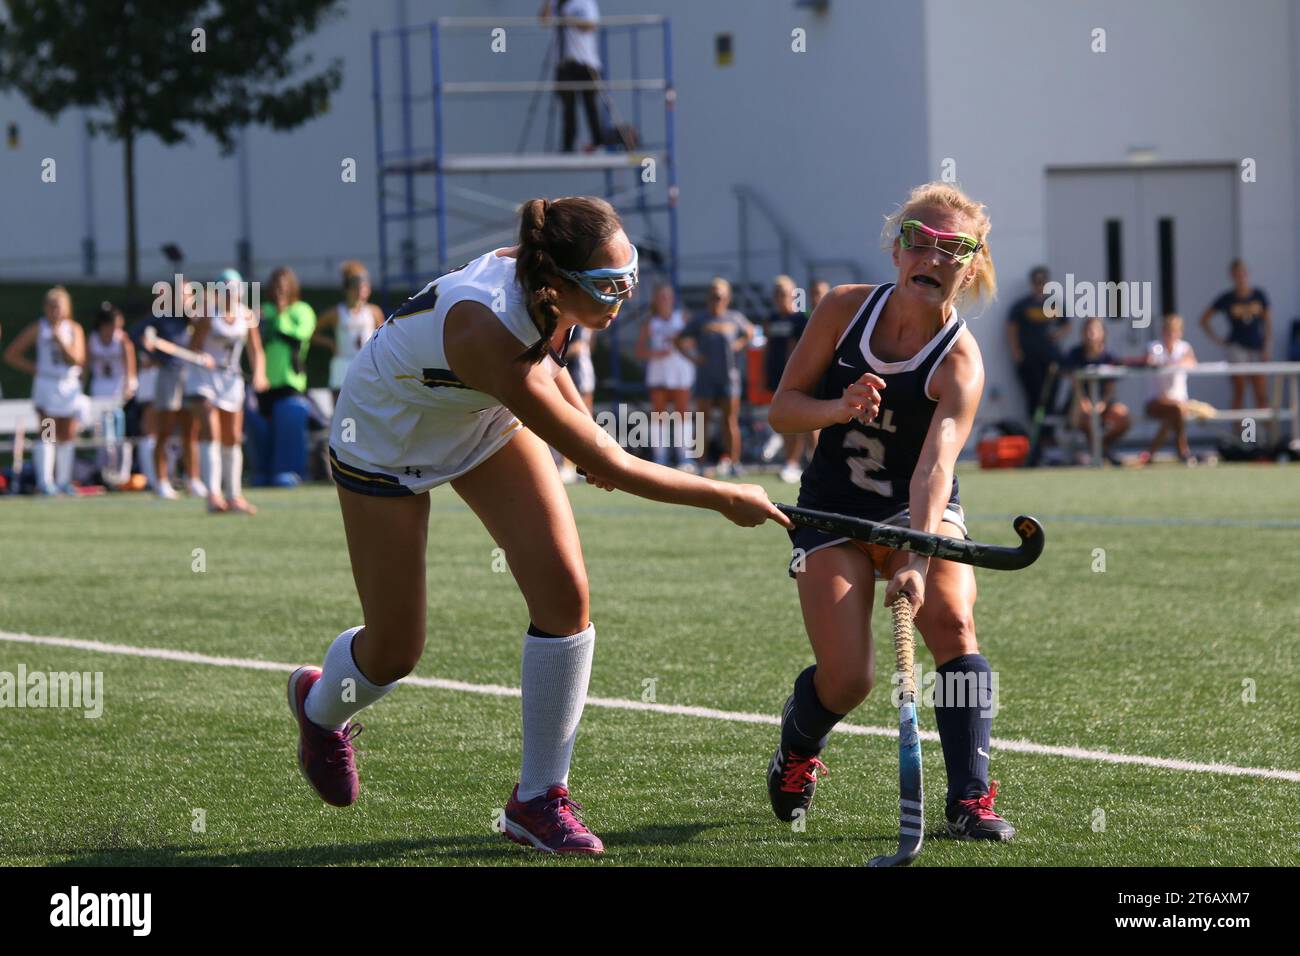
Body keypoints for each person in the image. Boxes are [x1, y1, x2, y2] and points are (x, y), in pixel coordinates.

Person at [288, 196, 789, 855]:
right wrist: (723, 496)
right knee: (395, 650)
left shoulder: (552, 288)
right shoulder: (485, 328)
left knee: (564, 596)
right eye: (609, 286)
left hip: (480, 420)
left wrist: (582, 430)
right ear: (556, 281)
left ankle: (537, 799)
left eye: (631, 275)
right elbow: (606, 458)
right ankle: (320, 709)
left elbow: (553, 367)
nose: (624, 296)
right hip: (385, 441)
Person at [767, 182, 1015, 843]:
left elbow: (935, 468)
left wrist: (917, 555)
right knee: (849, 677)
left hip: (917, 510)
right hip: (832, 510)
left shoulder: (960, 361)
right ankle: (797, 746)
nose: (932, 258)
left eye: (952, 248)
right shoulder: (843, 310)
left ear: (971, 261)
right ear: (896, 247)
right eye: (919, 241)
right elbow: (782, 408)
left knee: (954, 622)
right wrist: (839, 408)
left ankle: (970, 798)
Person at [187, 269, 268, 513]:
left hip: (231, 381)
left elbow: (256, 350)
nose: (231, 295)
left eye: (235, 291)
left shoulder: (246, 316)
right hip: (205, 380)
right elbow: (193, 349)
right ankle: (213, 494)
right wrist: (202, 357)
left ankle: (234, 495)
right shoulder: (208, 315)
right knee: (210, 430)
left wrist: (260, 374)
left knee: (232, 436)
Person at [3, 286, 87, 495]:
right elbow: (12, 354)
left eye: (58, 307)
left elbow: (77, 359)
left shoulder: (73, 329)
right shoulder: (39, 328)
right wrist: (36, 370)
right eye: (51, 307)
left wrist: (60, 340)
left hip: (68, 385)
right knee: (48, 432)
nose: (55, 312)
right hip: (47, 386)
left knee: (67, 434)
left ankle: (64, 480)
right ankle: (45, 481)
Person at [676, 277, 754, 477]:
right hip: (705, 378)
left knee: (729, 421)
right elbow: (678, 340)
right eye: (712, 296)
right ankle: (700, 463)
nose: (716, 300)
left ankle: (734, 462)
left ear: (727, 298)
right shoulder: (700, 319)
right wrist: (693, 358)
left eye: (719, 296)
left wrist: (739, 344)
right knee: (703, 420)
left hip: (729, 378)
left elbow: (750, 332)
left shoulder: (734, 318)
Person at [1200, 259, 1270, 416]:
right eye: (1237, 275)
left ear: (1247, 274)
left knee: (1261, 392)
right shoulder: (1228, 298)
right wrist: (1218, 339)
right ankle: (1239, 434)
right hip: (1237, 346)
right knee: (1240, 390)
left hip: (1257, 346)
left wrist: (1266, 346)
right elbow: (1204, 320)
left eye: (1243, 274)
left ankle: (1266, 435)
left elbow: (1267, 323)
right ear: (1232, 277)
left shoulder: (1259, 295)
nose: (1241, 278)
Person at [635, 282, 694, 467]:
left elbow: (693, 342)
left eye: (668, 296)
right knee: (659, 414)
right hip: (659, 372)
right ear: (655, 300)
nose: (665, 300)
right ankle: (660, 458)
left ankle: (685, 457)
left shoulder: (682, 318)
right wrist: (656, 354)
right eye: (661, 297)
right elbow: (639, 351)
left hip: (680, 371)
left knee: (682, 413)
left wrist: (679, 342)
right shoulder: (650, 322)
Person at [1006, 265, 1068, 435]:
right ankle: (1036, 438)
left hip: (1051, 360)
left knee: (1051, 398)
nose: (1040, 285)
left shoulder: (1054, 304)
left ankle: (1049, 435)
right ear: (1032, 283)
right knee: (1034, 398)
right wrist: (1016, 353)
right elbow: (1011, 328)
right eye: (1036, 281)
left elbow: (1067, 324)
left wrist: (1058, 334)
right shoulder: (1022, 306)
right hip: (1029, 360)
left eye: (1043, 281)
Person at [1062, 317, 1130, 465]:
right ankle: (1103, 453)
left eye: (1094, 330)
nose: (1091, 334)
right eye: (1088, 330)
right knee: (1086, 416)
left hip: (1103, 402)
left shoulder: (1109, 357)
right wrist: (1085, 402)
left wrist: (1102, 404)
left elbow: (1111, 387)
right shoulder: (1075, 354)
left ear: (1103, 333)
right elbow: (1075, 382)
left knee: (1123, 417)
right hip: (1080, 401)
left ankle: (1101, 449)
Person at [313, 260, 382, 403]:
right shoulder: (336, 313)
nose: (361, 290)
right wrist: (331, 344)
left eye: (364, 285)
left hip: (367, 368)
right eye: (356, 286)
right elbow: (313, 333)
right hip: (341, 368)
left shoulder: (374, 312)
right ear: (347, 288)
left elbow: (384, 338)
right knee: (341, 413)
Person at [763, 275, 811, 483]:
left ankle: (796, 461)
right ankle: (790, 461)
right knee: (782, 419)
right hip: (776, 374)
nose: (780, 297)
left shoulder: (801, 320)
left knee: (800, 419)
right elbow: (768, 346)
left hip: (795, 375)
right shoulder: (771, 319)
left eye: (783, 293)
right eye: (777, 293)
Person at [539, 0, 603, 152]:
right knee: (568, 105)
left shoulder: (585, 2)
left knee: (590, 103)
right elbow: (543, 20)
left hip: (584, 60)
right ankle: (568, 145)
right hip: (564, 61)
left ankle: (597, 141)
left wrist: (570, 20)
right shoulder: (556, 3)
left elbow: (591, 25)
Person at [87, 301, 138, 485]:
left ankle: (120, 473)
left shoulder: (122, 340)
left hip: (118, 392)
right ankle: (103, 471)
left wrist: (129, 386)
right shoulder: (93, 339)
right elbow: (87, 365)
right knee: (101, 434)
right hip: (99, 390)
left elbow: (130, 368)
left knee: (118, 433)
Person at [1140, 313, 1197, 465]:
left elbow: (1191, 361)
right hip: (1156, 401)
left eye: (1174, 331)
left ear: (1180, 333)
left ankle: (1150, 453)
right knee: (1176, 411)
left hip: (1179, 402)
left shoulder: (1184, 348)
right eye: (1167, 331)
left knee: (1174, 413)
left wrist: (1175, 363)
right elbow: (1149, 360)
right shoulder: (1154, 347)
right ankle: (1183, 451)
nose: (1170, 335)